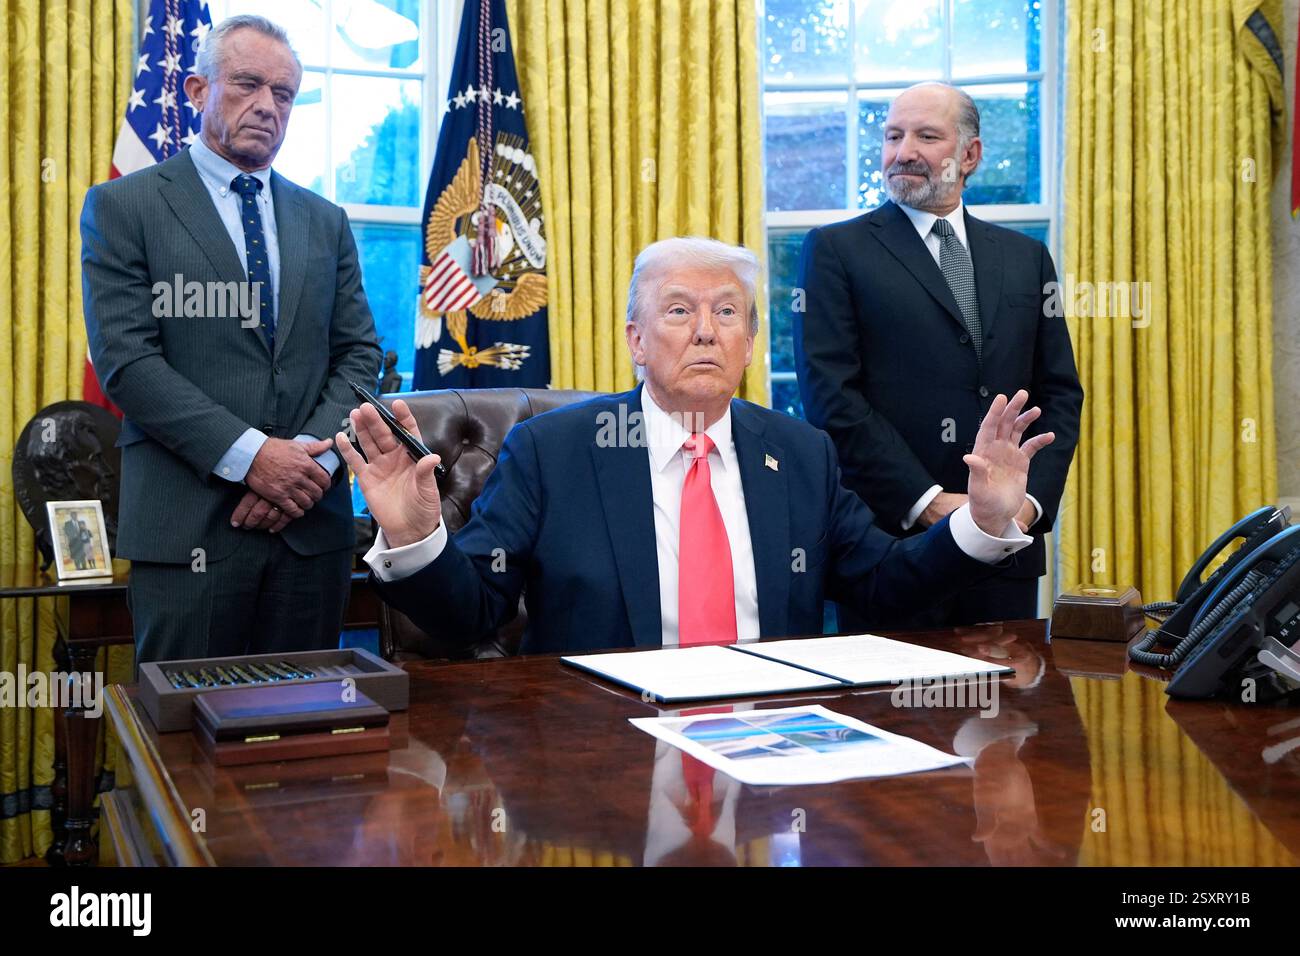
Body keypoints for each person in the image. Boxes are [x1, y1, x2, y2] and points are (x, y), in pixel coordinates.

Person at [344, 237, 1053, 655]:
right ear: (636, 341)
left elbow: (884, 586)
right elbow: (469, 615)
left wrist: (983, 523)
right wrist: (414, 538)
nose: (706, 331)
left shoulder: (801, 453)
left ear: (748, 343)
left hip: (777, 738)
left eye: (727, 314)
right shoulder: (549, 452)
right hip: (598, 741)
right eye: (679, 311)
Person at [81, 15, 382, 662]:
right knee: (184, 751)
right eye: (247, 84)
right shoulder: (123, 208)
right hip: (188, 529)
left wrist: (307, 463)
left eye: (283, 94)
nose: (267, 107)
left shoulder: (325, 221)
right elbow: (128, 363)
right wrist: (254, 459)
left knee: (308, 741)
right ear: (196, 89)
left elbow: (360, 355)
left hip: (312, 532)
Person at [795, 82, 1083, 629]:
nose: (903, 152)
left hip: (1006, 553)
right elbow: (832, 397)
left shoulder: (1026, 258)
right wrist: (928, 501)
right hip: (887, 551)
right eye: (893, 136)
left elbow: (1060, 395)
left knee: (1006, 713)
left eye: (926, 136)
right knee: (891, 713)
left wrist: (1022, 508)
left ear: (969, 155)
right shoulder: (836, 251)